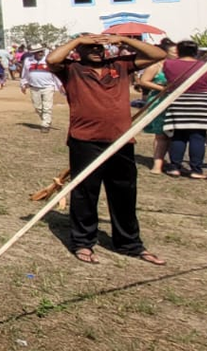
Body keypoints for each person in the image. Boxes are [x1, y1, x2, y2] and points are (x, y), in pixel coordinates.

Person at [47, 33, 166, 266]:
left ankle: (130, 244)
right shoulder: (71, 69)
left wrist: (123, 39)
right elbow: (52, 60)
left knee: (124, 192)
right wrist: (79, 41)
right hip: (85, 139)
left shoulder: (120, 65)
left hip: (120, 140)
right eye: (89, 47)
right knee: (85, 193)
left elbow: (157, 54)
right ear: (78, 50)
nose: (96, 51)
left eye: (99, 47)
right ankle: (82, 242)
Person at [161, 40, 207, 180]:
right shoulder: (204, 66)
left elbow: (169, 79)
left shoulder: (169, 64)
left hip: (179, 99)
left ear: (179, 51)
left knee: (178, 134)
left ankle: (175, 167)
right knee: (198, 136)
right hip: (202, 102)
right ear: (195, 51)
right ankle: (196, 170)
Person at [137, 38, 177, 173]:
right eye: (174, 51)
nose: (177, 53)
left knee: (174, 134)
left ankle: (173, 162)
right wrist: (163, 88)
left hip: (176, 101)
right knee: (161, 134)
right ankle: (157, 164)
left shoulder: (178, 66)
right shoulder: (156, 66)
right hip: (159, 100)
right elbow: (143, 81)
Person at [20, 44, 61, 133]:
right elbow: (25, 73)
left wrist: (60, 85)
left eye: (41, 51)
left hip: (48, 86)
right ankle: (47, 120)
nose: (40, 53)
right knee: (38, 107)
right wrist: (23, 84)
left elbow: (56, 74)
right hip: (34, 87)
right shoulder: (28, 60)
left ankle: (45, 124)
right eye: (38, 51)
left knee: (47, 107)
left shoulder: (48, 60)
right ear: (34, 53)